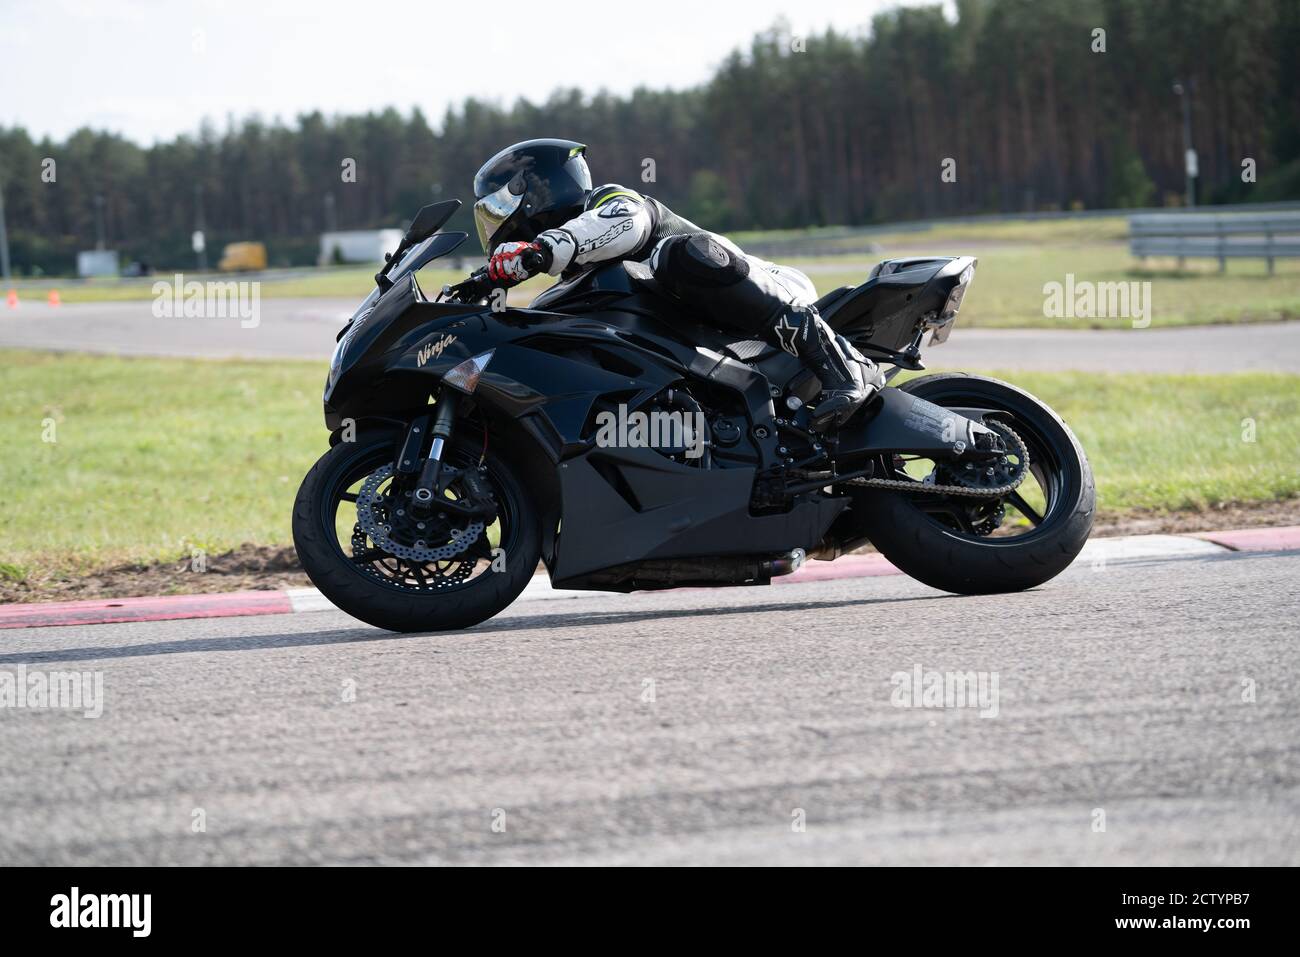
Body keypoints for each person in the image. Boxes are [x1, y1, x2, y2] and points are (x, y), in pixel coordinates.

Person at [471, 138, 878, 429]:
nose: (494, 224)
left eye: (497, 208)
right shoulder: (576, 278)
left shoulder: (612, 203)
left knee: (680, 255)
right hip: (711, 346)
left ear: (537, 189)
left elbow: (624, 224)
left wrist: (542, 249)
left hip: (770, 292)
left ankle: (843, 366)